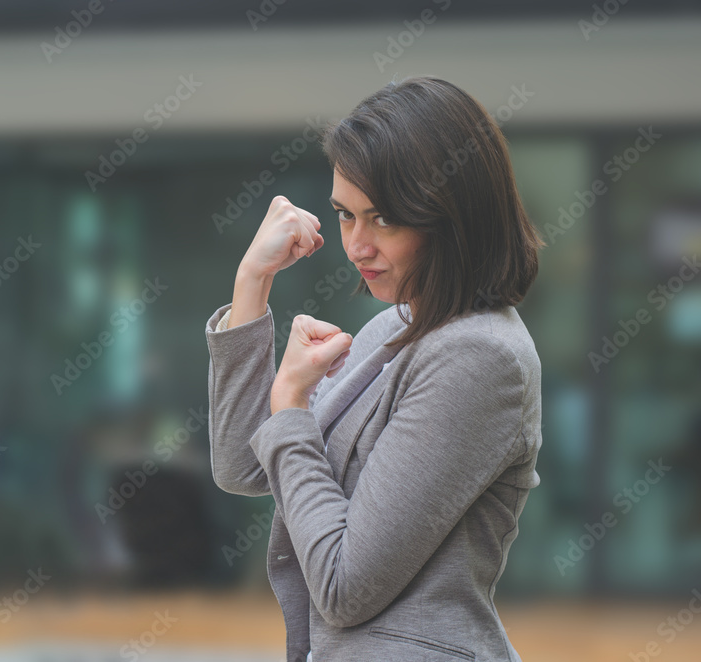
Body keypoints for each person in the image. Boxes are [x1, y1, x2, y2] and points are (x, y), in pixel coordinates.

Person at [204, 76, 546, 661]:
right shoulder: (397, 328)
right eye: (344, 215)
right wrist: (252, 284)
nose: (357, 246)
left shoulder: (480, 357)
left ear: (452, 216)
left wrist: (290, 405)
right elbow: (243, 466)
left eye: (383, 218)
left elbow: (343, 587)